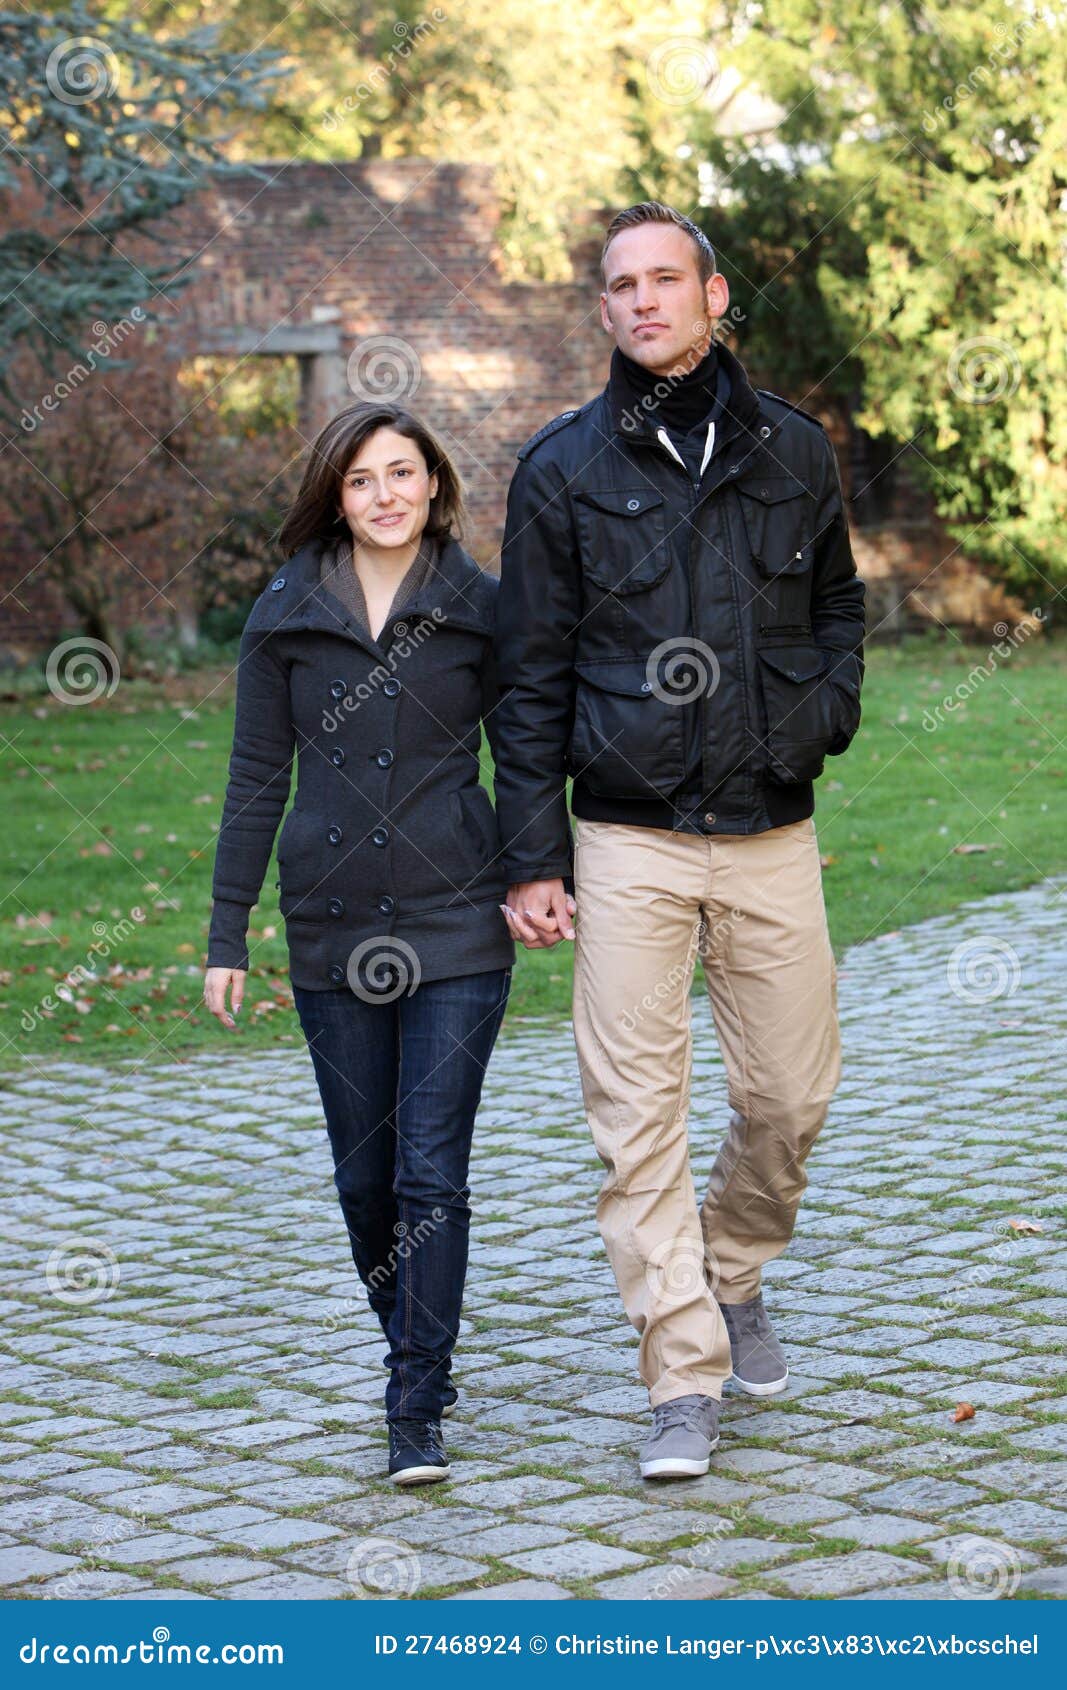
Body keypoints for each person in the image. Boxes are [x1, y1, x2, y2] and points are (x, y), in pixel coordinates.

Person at [494, 201, 865, 1480]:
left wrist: (820, 717)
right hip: (626, 837)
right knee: (634, 1117)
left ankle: (730, 1267)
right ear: (601, 311)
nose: (642, 300)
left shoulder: (794, 454)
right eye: (619, 285)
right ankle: (679, 1373)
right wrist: (530, 854)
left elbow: (835, 605)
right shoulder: (559, 469)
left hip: (769, 827)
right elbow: (528, 674)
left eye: (665, 279)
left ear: (714, 296)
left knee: (788, 1097)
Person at [203, 402, 514, 1486]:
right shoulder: (285, 612)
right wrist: (225, 930)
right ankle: (411, 1332)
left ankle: (415, 1395)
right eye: (360, 479)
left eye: (403, 473)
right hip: (332, 926)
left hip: (457, 922)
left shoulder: (478, 608)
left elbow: (523, 755)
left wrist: (535, 871)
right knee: (363, 1182)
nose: (385, 494)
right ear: (333, 496)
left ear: (434, 484)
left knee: (432, 1173)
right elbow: (254, 779)